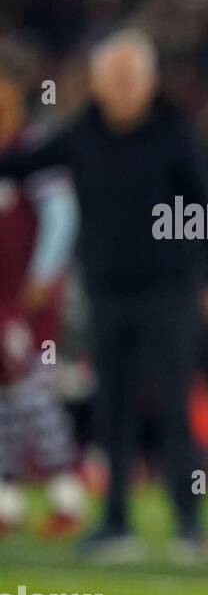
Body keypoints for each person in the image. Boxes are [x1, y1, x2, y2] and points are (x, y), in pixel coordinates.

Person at [0, 28, 208, 561]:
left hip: (170, 291)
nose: (125, 87)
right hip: (108, 294)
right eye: (115, 77)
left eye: (133, 76)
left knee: (176, 408)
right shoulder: (81, 134)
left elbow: (206, 203)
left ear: (151, 81)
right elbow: (20, 167)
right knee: (112, 411)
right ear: (97, 82)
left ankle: (189, 523)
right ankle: (115, 524)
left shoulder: (174, 135)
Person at [0, 40, 86, 537]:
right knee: (9, 394)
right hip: (2, 295)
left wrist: (44, 273)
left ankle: (66, 491)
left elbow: (61, 215)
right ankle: (10, 500)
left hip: (26, 295)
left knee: (29, 391)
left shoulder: (33, 150)